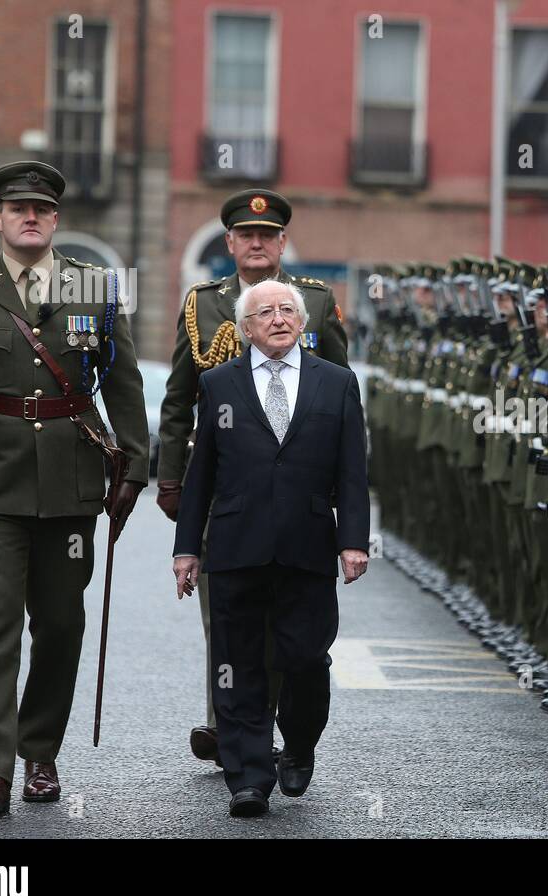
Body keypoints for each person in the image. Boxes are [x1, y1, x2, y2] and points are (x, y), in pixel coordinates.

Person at [0, 161, 150, 818]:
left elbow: (123, 381)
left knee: (60, 624)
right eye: (18, 208)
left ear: (55, 221)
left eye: (42, 209)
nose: (30, 216)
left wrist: (133, 465)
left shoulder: (97, 290)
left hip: (70, 482)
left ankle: (40, 750)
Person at [156, 188, 349, 764]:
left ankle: (270, 720)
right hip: (225, 483)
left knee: (290, 618)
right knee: (227, 610)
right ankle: (232, 723)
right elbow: (177, 399)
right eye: (247, 235)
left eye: (268, 235)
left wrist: (338, 486)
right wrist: (172, 478)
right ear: (231, 243)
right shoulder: (201, 303)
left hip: (294, 486)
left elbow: (339, 394)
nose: (258, 243)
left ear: (282, 243)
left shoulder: (312, 300)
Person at [172, 279, 369, 817]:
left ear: (303, 323)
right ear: (245, 328)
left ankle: (300, 746)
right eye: (265, 312)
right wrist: (187, 547)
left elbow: (353, 471)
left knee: (305, 659)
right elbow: (201, 474)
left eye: (287, 310)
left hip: (308, 546)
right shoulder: (219, 384)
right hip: (236, 546)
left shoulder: (337, 383)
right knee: (237, 665)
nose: (278, 318)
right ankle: (249, 777)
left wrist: (353, 541)